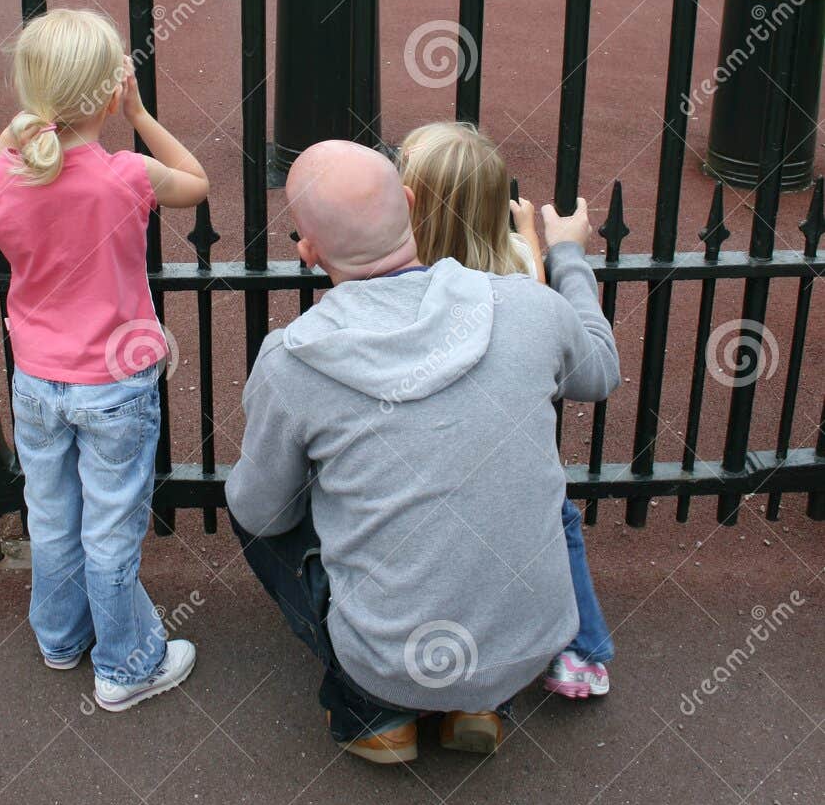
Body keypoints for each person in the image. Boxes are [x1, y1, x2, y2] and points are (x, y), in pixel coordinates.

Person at [225, 140, 619, 765]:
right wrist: (567, 254)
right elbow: (600, 373)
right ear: (408, 203)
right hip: (524, 647)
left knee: (251, 498)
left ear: (308, 250)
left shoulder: (292, 359)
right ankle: (478, 702)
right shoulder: (526, 306)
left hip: (389, 663)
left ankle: (376, 712)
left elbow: (263, 513)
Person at [0, 8, 208, 714]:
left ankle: (61, 635)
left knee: (52, 511)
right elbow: (196, 181)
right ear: (107, 92)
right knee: (111, 524)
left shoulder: (8, 181)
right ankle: (126, 664)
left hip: (37, 378)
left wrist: (13, 133)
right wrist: (142, 112)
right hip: (115, 384)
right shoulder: (125, 174)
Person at [398, 121, 614, 701]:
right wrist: (543, 242)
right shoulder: (515, 258)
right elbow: (540, 306)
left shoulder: (397, 266)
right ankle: (583, 649)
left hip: (423, 453)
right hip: (513, 458)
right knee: (558, 520)